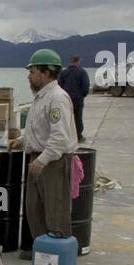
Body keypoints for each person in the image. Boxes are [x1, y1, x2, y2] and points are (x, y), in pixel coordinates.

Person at [9, 49, 78, 248]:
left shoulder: (57, 98)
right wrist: (21, 140)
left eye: (32, 71)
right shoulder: (41, 97)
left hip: (52, 162)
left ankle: (58, 256)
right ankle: (43, 253)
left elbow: (59, 136)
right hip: (38, 159)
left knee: (55, 212)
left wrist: (43, 159)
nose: (28, 76)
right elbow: (39, 128)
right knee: (34, 211)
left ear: (46, 72)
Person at [57, 54, 90, 140]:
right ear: (78, 61)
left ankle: (66, 135)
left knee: (65, 117)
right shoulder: (82, 72)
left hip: (65, 98)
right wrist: (82, 95)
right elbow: (86, 86)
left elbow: (59, 85)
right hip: (77, 98)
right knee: (78, 117)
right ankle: (78, 135)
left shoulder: (64, 72)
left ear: (70, 62)